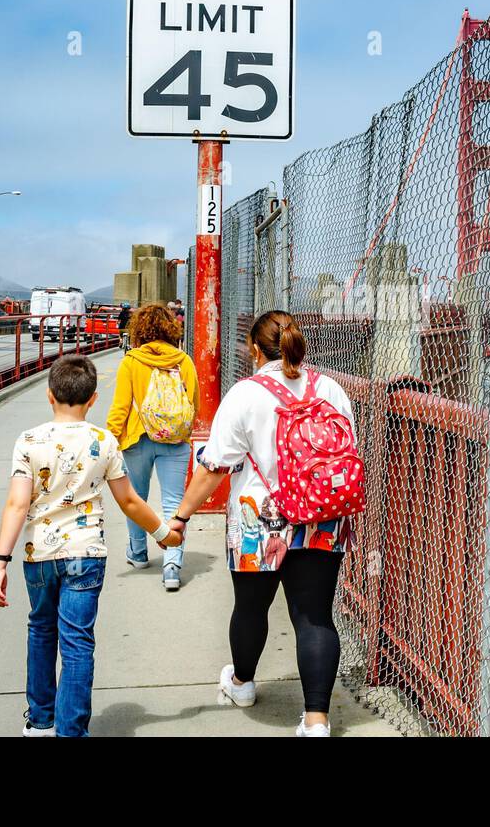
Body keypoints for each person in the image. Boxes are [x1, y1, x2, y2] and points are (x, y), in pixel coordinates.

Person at [170, 310, 355, 737]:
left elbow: (214, 467)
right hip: (323, 516)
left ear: (254, 350)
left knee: (251, 608)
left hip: (259, 520)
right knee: (314, 617)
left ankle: (242, 683)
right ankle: (316, 721)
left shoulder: (245, 394)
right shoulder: (331, 389)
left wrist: (180, 517)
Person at [0, 354, 182, 737]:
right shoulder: (104, 441)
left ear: (49, 396)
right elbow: (129, 501)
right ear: (93, 399)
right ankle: (71, 731)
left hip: (39, 557)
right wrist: (164, 534)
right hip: (86, 555)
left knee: (41, 630)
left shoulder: (28, 441)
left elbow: (17, 503)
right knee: (77, 642)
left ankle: (41, 720)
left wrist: (0, 560)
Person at [106, 303, 198, 590]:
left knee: (136, 498)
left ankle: (138, 552)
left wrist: (108, 441)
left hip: (137, 438)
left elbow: (120, 408)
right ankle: (172, 566)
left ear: (139, 331)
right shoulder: (183, 360)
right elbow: (193, 402)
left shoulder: (132, 361)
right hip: (174, 439)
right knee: (174, 503)